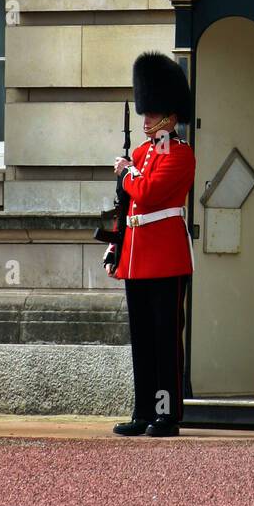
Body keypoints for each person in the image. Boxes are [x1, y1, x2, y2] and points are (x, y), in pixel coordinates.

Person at [109, 51, 195, 438]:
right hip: (137, 257)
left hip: (166, 258)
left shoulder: (180, 156)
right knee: (142, 340)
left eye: (152, 112)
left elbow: (149, 191)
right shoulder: (143, 153)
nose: (146, 119)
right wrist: (115, 247)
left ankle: (167, 414)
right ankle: (143, 411)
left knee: (164, 340)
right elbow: (127, 207)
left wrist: (127, 174)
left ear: (170, 117)